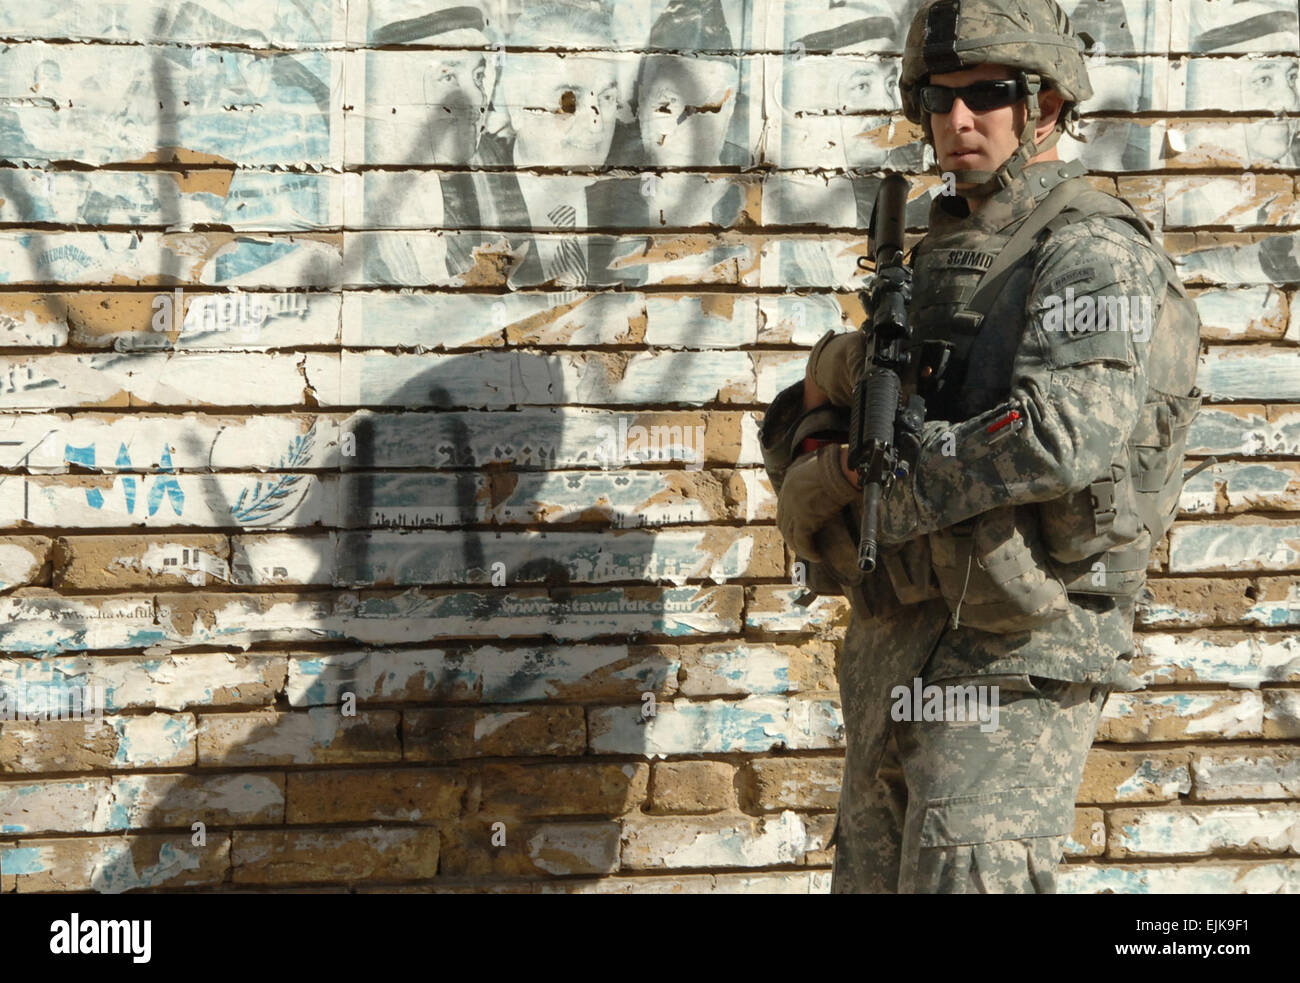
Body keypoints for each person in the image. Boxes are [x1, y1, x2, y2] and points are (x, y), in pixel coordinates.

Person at [762, 0, 1203, 893]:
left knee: (973, 874)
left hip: (1015, 655)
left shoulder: (1089, 250)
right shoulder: (937, 254)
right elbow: (848, 408)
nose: (959, 120)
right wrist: (826, 426)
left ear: (1043, 104)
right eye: (939, 96)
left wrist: (883, 486)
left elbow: (1061, 433)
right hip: (901, 643)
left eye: (990, 95)